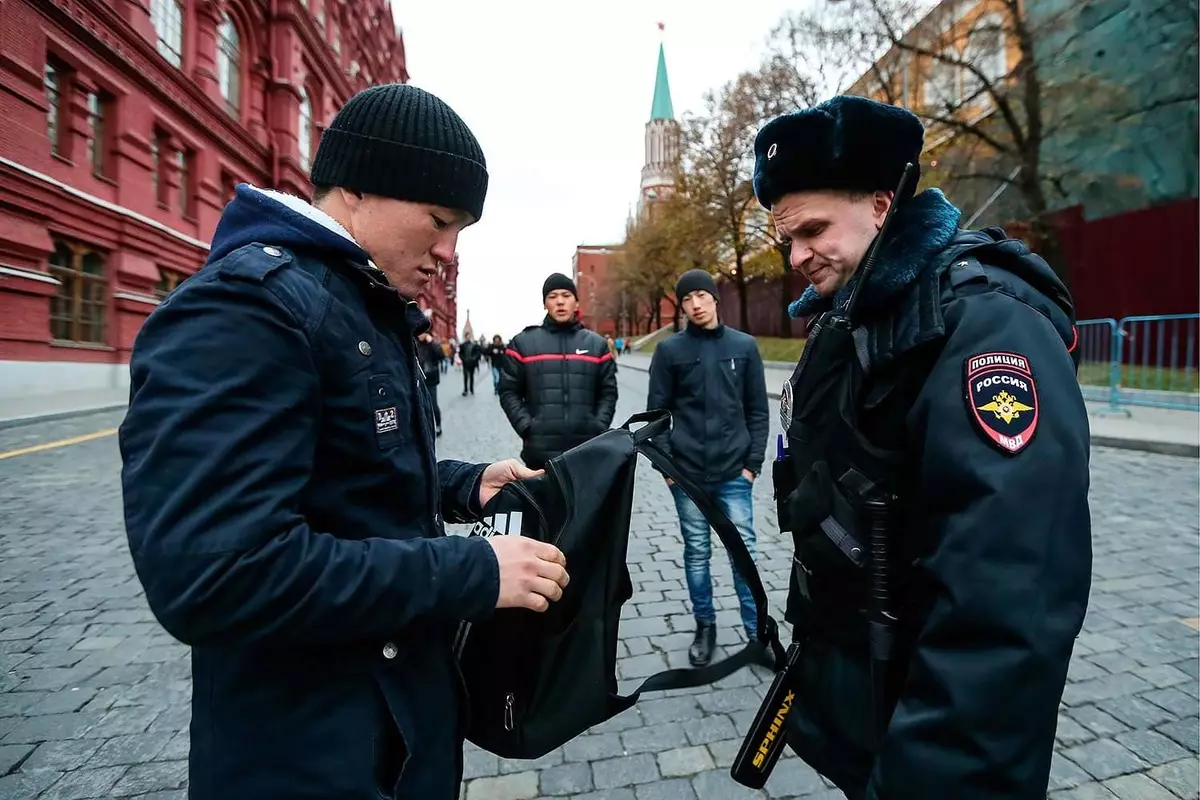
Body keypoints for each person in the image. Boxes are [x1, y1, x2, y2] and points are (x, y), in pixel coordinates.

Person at [118, 83, 572, 800]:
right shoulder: (246, 307)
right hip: (307, 754)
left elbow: (342, 476)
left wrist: (460, 484)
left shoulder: (355, 300)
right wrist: (471, 573)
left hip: (385, 733)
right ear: (359, 190)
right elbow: (214, 574)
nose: (449, 252)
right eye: (439, 220)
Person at [751, 95, 1090, 799]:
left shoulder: (986, 327)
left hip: (922, 734)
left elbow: (1005, 607)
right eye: (786, 237)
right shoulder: (856, 315)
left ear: (881, 205)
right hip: (866, 701)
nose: (796, 255)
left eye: (812, 230)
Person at [646, 269, 769, 666]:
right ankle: (706, 627)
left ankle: (757, 635)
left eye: (701, 295)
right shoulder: (669, 352)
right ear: (681, 306)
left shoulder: (744, 347)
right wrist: (669, 470)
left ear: (715, 298)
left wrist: (752, 465)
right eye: (687, 299)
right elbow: (656, 415)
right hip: (688, 477)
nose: (695, 304)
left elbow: (758, 411)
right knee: (697, 553)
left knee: (743, 555)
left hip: (735, 474)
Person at [499, 273, 618, 469]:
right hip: (540, 454)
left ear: (576, 303)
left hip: (587, 450)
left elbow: (608, 392)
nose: (560, 302)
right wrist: (528, 428)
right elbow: (508, 391)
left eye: (566, 295)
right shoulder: (523, 343)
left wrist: (598, 426)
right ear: (545, 304)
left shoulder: (597, 345)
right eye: (552, 297)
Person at [417, 329, 445, 436]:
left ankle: (438, 425)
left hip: (431, 378)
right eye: (419, 333)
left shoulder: (432, 344)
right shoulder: (416, 344)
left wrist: (432, 342)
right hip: (419, 379)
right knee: (422, 405)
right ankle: (426, 427)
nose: (420, 335)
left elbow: (441, 355)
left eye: (423, 333)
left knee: (433, 404)